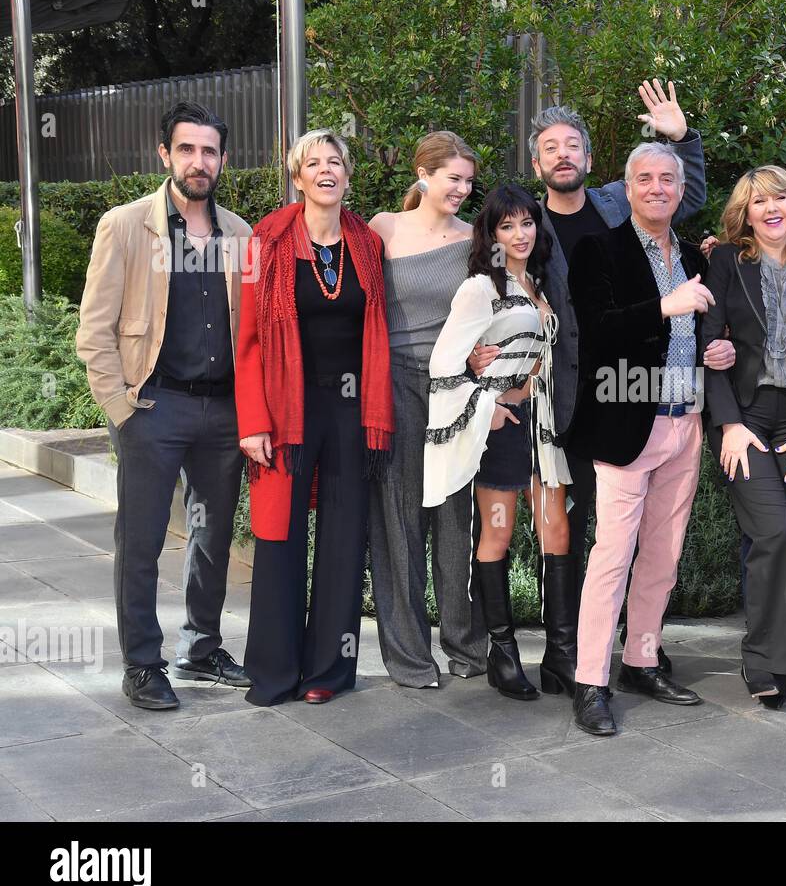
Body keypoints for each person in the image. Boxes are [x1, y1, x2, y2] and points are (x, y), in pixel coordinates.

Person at [505, 82, 732, 676]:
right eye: (550, 147)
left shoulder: (620, 206)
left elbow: (682, 195)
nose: (562, 155)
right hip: (569, 391)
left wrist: (680, 138)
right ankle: (570, 657)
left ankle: (635, 655)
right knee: (574, 526)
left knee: (651, 543)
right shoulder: (528, 222)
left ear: (589, 159)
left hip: (648, 400)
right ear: (536, 162)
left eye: (572, 145)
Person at [77, 101, 253, 710]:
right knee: (143, 541)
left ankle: (202, 649)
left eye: (209, 151)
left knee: (211, 539)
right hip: (154, 408)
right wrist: (120, 407)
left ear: (223, 160)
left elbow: (251, 331)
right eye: (187, 149)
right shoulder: (125, 226)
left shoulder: (240, 235)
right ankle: (142, 663)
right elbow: (93, 329)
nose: (198, 162)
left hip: (223, 413)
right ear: (165, 155)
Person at [236, 129, 394, 706]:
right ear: (296, 176)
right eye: (313, 163)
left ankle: (328, 669)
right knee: (279, 535)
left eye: (336, 162)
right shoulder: (266, 241)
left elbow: (377, 330)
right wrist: (252, 420)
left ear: (348, 176)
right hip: (285, 411)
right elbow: (248, 339)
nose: (326, 170)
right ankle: (275, 671)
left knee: (344, 535)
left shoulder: (367, 245)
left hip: (352, 410)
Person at [565, 141, 714, 736]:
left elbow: (691, 334)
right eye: (645, 179)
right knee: (612, 557)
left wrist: (713, 350)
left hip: (685, 421)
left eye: (667, 180)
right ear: (626, 190)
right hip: (628, 421)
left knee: (663, 556)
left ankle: (642, 661)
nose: (657, 188)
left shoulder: (694, 256)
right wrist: (665, 305)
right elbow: (596, 333)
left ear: (680, 191)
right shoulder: (596, 249)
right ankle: (590, 681)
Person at [422, 184, 573, 700]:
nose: (519, 233)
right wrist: (487, 407)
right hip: (505, 424)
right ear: (490, 234)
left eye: (526, 222)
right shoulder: (480, 287)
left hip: (544, 424)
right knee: (498, 537)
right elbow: (443, 360)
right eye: (506, 226)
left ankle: (560, 655)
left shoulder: (540, 284)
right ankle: (502, 656)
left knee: (557, 531)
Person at [702, 166, 786, 708]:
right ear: (746, 214)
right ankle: (765, 661)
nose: (772, 207)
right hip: (747, 416)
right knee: (774, 532)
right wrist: (728, 423)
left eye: (781, 196)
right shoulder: (726, 263)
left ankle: (769, 659)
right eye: (759, 202)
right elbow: (710, 349)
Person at [367, 131, 486, 687]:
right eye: (452, 178)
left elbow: (496, 308)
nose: (462, 189)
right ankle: (410, 656)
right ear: (423, 172)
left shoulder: (474, 239)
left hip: (453, 389)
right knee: (399, 521)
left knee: (455, 522)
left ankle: (466, 646)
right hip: (393, 387)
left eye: (468, 179)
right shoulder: (382, 228)